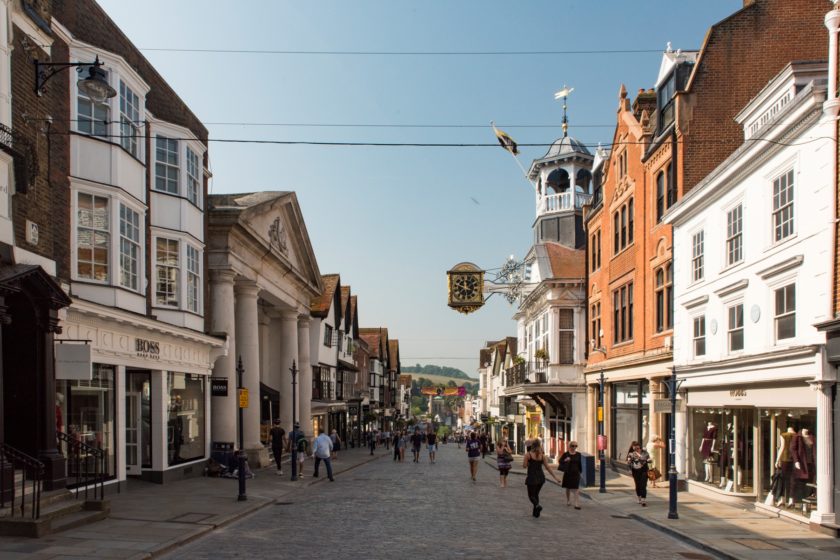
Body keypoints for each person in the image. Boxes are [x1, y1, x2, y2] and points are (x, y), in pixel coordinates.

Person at [523, 439, 561, 517]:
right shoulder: (542, 456)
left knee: (531, 496)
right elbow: (548, 467)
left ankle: (537, 506)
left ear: (532, 445)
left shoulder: (528, 455)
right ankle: (536, 513)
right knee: (536, 494)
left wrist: (528, 463)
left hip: (532, 477)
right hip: (540, 477)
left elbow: (524, 466)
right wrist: (556, 477)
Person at [559, 441, 583, 509]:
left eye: (576, 446)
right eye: (573, 446)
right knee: (568, 487)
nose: (574, 447)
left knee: (576, 488)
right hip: (568, 472)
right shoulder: (566, 454)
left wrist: (580, 471)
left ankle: (576, 503)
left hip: (576, 473)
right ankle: (568, 500)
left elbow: (579, 464)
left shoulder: (578, 454)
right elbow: (560, 461)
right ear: (569, 446)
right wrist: (565, 460)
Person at [627, 441, 651, 506]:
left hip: (644, 470)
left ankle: (643, 499)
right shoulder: (631, 454)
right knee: (638, 485)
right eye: (634, 448)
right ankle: (639, 498)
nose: (636, 449)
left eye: (637, 448)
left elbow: (648, 459)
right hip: (635, 471)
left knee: (643, 485)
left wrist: (648, 460)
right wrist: (629, 470)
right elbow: (629, 463)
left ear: (639, 446)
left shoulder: (644, 453)